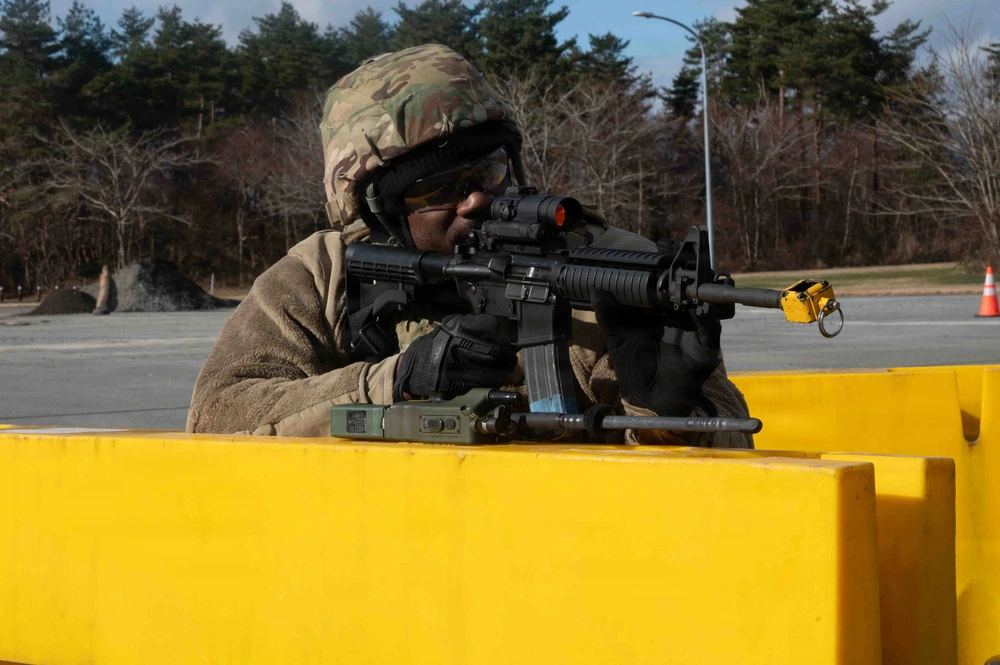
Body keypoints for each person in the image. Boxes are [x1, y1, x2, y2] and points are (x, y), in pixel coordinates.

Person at [186, 44, 754, 448]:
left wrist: (662, 418)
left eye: (490, 170)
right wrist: (396, 381)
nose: (477, 201)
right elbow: (215, 417)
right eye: (437, 189)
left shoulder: (607, 267)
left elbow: (733, 447)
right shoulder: (324, 275)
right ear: (377, 213)